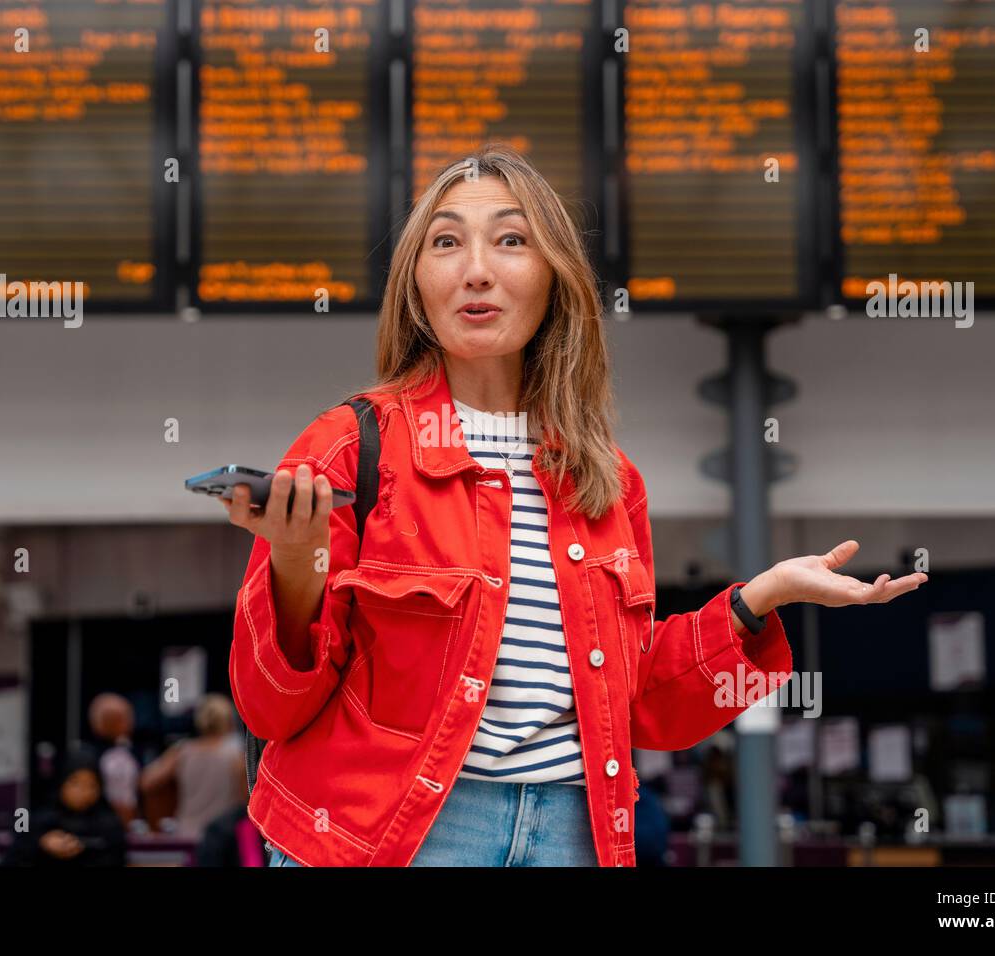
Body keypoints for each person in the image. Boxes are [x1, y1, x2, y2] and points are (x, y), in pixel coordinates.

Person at [225, 143, 927, 867]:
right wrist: (294, 562)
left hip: (574, 833)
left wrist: (762, 597)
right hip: (397, 838)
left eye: (510, 240)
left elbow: (644, 703)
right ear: (416, 285)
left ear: (554, 278)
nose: (476, 269)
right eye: (445, 242)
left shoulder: (608, 482)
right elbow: (269, 708)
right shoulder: (350, 447)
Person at [139, 694, 246, 842]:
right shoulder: (236, 755)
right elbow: (245, 799)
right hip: (224, 836)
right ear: (229, 721)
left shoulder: (182, 751)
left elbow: (147, 782)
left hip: (187, 833)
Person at [0, 749, 127, 866]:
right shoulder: (37, 820)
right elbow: (14, 856)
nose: (83, 791)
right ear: (61, 782)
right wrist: (42, 843)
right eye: (75, 783)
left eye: (91, 785)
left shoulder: (109, 825)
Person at [87, 692, 141, 825]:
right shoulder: (112, 758)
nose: (131, 722)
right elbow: (121, 801)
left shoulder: (126, 748)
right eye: (126, 717)